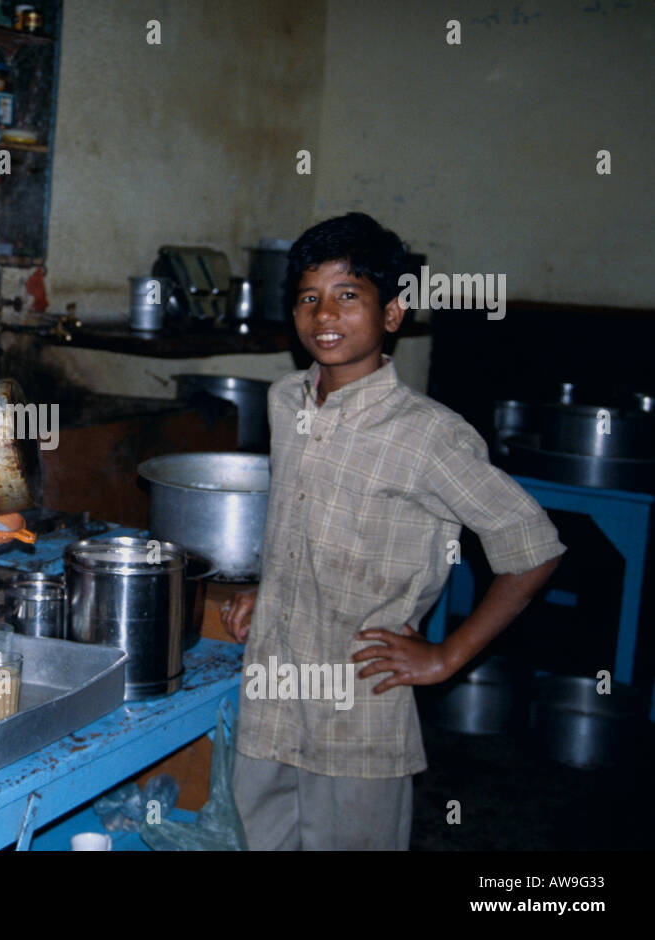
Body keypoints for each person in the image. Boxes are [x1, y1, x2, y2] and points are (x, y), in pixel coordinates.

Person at [220, 212, 565, 850]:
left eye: (349, 295)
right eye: (308, 297)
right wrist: (274, 587)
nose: (325, 314)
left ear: (394, 314)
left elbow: (533, 548)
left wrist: (446, 657)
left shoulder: (429, 435)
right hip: (270, 691)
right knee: (251, 840)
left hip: (359, 704)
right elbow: (300, 514)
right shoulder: (284, 400)